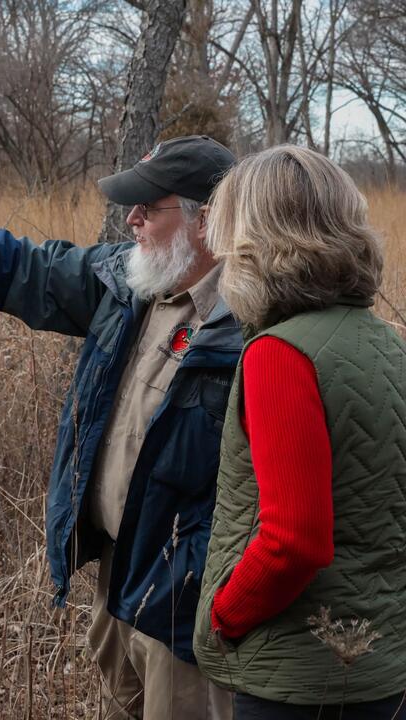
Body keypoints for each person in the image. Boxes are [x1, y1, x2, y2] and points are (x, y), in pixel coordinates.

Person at [0, 135, 239, 719]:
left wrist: (200, 583)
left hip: (186, 605)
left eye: (149, 208)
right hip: (121, 576)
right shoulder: (129, 285)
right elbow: (30, 268)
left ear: (205, 221)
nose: (130, 219)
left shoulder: (252, 324)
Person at [192, 145, 406, 719]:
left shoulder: (281, 355)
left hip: (299, 678)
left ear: (251, 238)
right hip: (383, 669)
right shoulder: (389, 344)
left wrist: (224, 616)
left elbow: (295, 541)